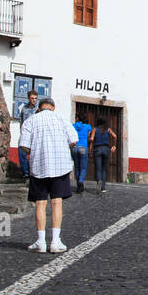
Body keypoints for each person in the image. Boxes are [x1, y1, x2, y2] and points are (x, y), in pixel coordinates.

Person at [18, 97, 77, 253]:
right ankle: (55, 241)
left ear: (39, 108)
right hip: (60, 166)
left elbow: (24, 146)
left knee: (40, 204)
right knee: (57, 203)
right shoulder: (62, 119)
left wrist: (35, 150)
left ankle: (41, 241)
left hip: (39, 165)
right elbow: (74, 140)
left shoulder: (30, 121)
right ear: (53, 107)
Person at [90, 113, 117, 195]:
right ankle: (103, 188)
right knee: (104, 169)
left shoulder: (95, 129)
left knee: (98, 168)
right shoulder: (108, 129)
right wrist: (114, 146)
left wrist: (90, 151)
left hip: (97, 149)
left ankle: (99, 181)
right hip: (106, 149)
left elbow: (91, 139)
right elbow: (115, 136)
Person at [16, 89, 39, 179]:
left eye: (35, 98)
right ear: (29, 98)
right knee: (21, 152)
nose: (34, 100)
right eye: (32, 98)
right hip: (26, 134)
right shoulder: (24, 109)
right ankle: (25, 172)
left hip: (35, 134)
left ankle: (34, 172)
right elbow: (21, 121)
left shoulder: (38, 109)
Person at [71, 114, 93, 194]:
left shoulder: (73, 125)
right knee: (83, 168)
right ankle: (80, 181)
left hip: (75, 147)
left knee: (77, 167)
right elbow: (89, 137)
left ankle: (78, 186)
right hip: (83, 147)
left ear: (77, 118)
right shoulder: (88, 126)